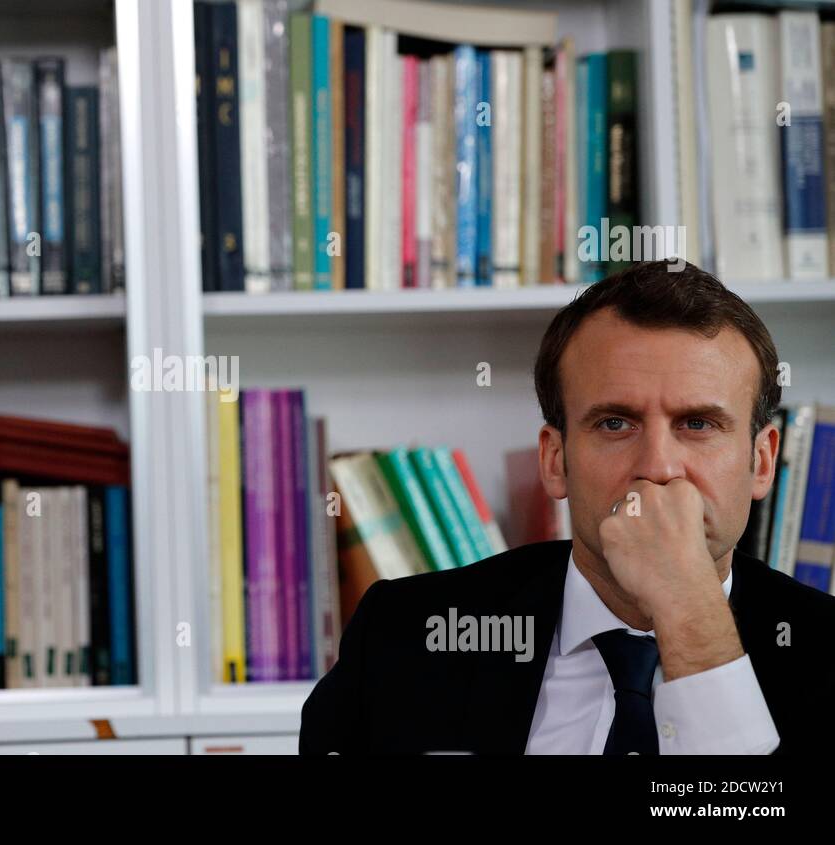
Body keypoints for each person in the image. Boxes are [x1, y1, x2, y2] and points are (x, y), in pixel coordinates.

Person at [300, 260, 835, 754]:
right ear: (555, 460)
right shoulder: (406, 633)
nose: (658, 467)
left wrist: (689, 610)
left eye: (697, 424)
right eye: (614, 423)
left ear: (761, 461)